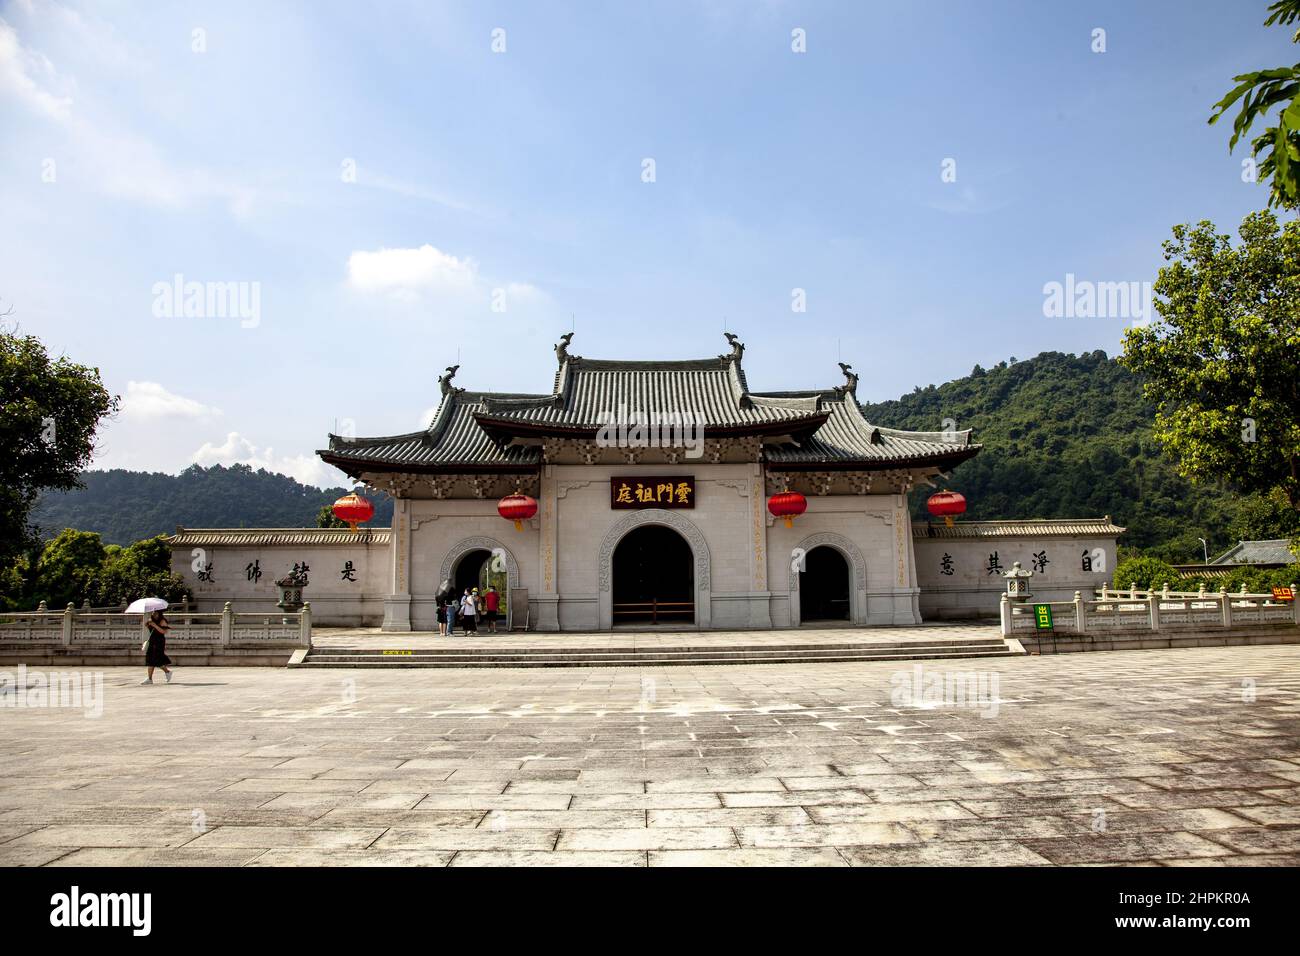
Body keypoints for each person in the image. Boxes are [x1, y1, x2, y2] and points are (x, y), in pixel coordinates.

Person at [142, 609, 174, 684]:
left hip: (159, 641)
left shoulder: (162, 621)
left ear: (159, 613)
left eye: (156, 613)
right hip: (152, 641)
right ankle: (150, 678)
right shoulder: (151, 620)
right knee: (150, 659)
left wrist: (155, 625)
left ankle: (167, 672)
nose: (154, 614)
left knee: (156, 658)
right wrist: (148, 624)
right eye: (153, 612)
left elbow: (164, 631)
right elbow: (147, 627)